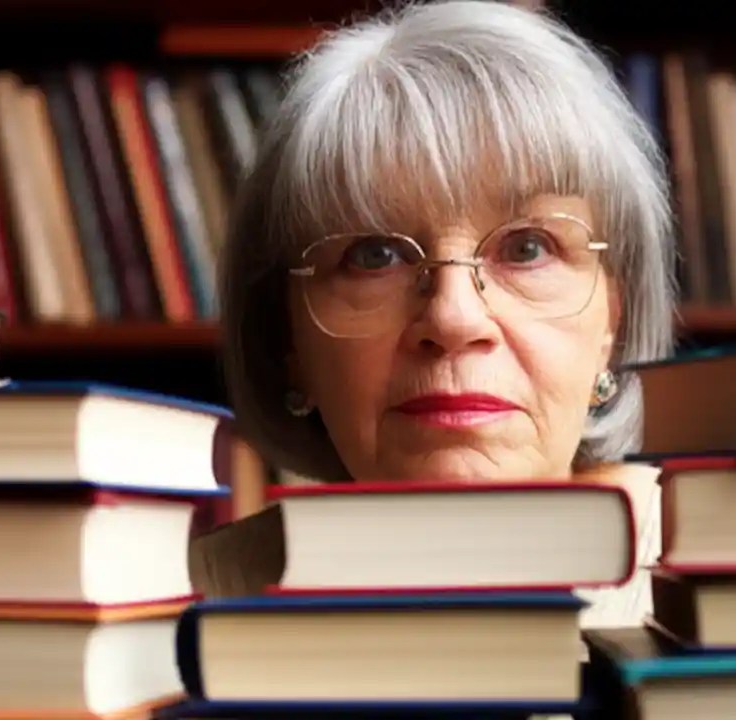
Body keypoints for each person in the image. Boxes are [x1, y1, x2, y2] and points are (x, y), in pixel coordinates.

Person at [218, 0, 674, 626]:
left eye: (528, 248)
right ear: (286, 340)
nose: (455, 320)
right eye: (374, 255)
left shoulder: (728, 586)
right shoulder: (189, 610)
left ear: (612, 325)